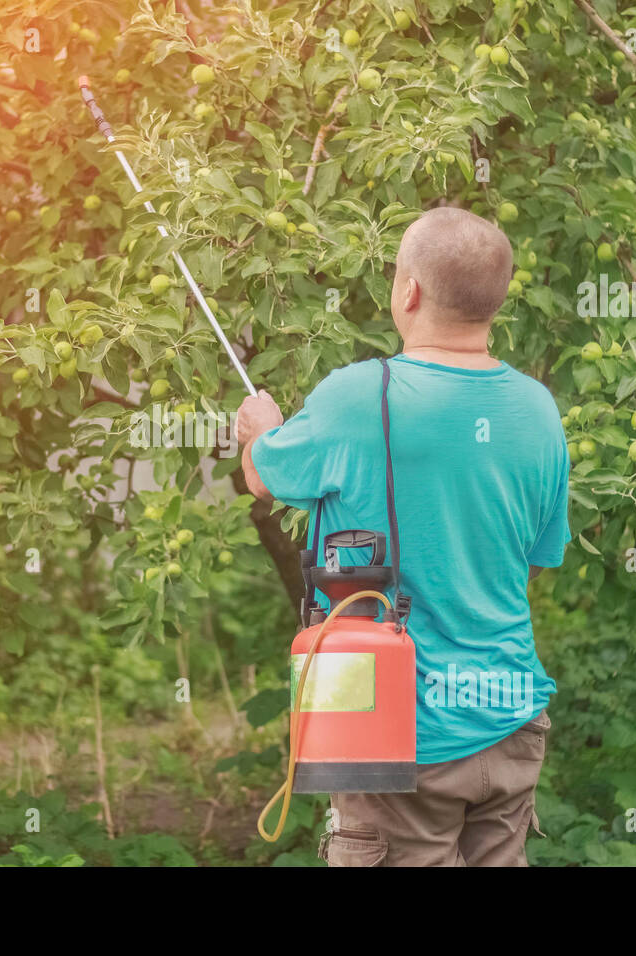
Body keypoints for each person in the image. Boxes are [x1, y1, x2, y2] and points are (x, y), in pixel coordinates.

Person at [234, 206, 571, 866]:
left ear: (407, 290)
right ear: (495, 301)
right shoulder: (538, 409)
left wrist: (259, 427)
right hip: (511, 723)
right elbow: (537, 558)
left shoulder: (359, 396)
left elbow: (262, 477)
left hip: (400, 734)